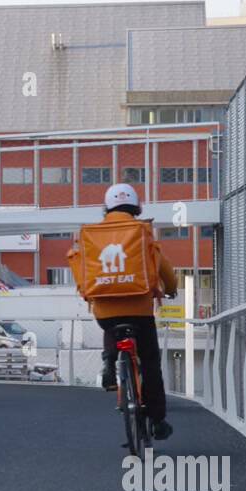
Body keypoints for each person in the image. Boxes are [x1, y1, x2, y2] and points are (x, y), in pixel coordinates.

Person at [72, 184, 178, 441]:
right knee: (150, 362)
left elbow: (77, 262)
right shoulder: (142, 233)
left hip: (105, 309)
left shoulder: (91, 234)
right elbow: (164, 269)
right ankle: (158, 420)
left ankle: (110, 361)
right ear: (136, 207)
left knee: (112, 326)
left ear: (107, 207)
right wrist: (171, 289)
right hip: (140, 309)